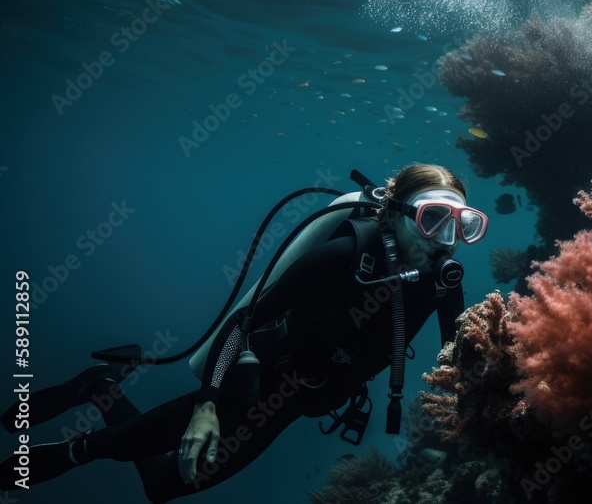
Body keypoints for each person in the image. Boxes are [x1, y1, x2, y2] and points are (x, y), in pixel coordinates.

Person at [1, 164, 488, 502]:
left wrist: (487, 403)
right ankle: (77, 441)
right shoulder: (345, 256)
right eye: (432, 219)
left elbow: (460, 352)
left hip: (299, 400)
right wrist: (207, 405)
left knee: (161, 487)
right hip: (250, 383)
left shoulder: (442, 281)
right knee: (119, 453)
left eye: (463, 226)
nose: (446, 241)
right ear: (397, 214)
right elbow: (244, 321)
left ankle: (101, 388)